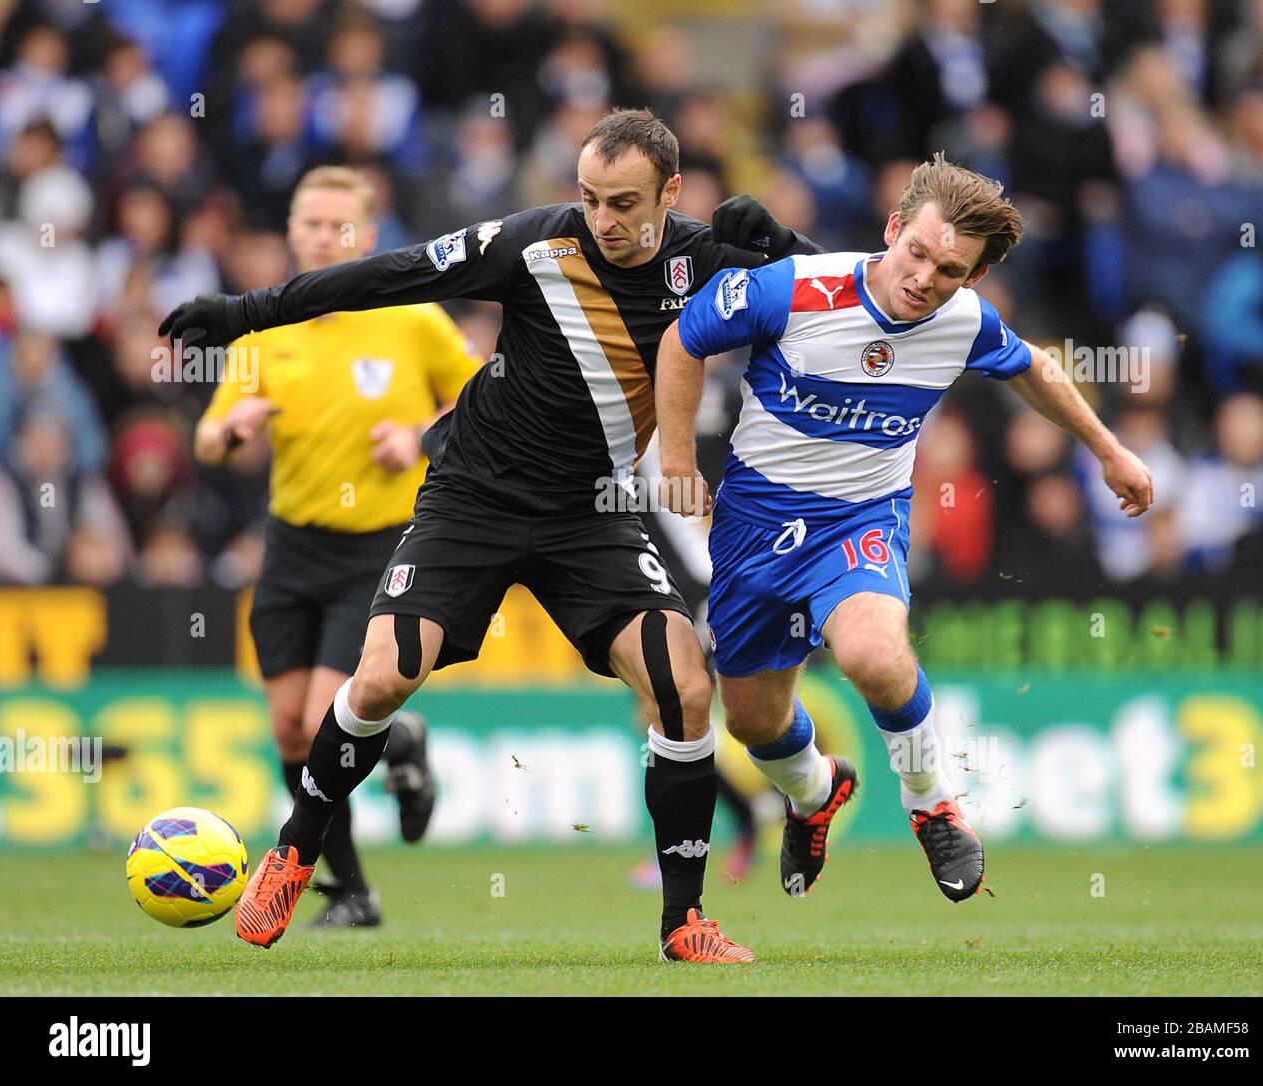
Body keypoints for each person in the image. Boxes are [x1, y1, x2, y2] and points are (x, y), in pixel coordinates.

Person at [161, 109, 820, 963]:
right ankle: (295, 851)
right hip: (473, 498)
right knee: (384, 674)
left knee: (682, 683)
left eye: (625, 203)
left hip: (591, 509)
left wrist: (787, 245)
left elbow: (856, 302)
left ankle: (685, 921)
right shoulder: (534, 244)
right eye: (589, 198)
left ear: (672, 191)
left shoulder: (704, 258)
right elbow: (386, 276)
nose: (605, 220)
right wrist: (249, 312)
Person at [654, 152, 1154, 902]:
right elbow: (683, 341)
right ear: (893, 229)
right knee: (753, 720)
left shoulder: (963, 322)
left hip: (859, 521)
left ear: (974, 278)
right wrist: (678, 458)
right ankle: (816, 792)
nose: (924, 277)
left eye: (949, 269)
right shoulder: (792, 289)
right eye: (916, 252)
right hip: (754, 527)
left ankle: (935, 808)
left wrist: (1110, 450)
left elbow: (1035, 371)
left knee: (874, 656)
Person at [193, 166, 481, 926]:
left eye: (339, 226)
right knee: (287, 725)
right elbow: (210, 437)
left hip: (381, 548)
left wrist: (421, 437)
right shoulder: (267, 329)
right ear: (290, 231)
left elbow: (481, 396)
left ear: (367, 235)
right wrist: (231, 432)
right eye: (310, 223)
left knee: (328, 713)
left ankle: (391, 743)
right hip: (291, 548)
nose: (323, 236)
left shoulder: (411, 318)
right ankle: (353, 884)